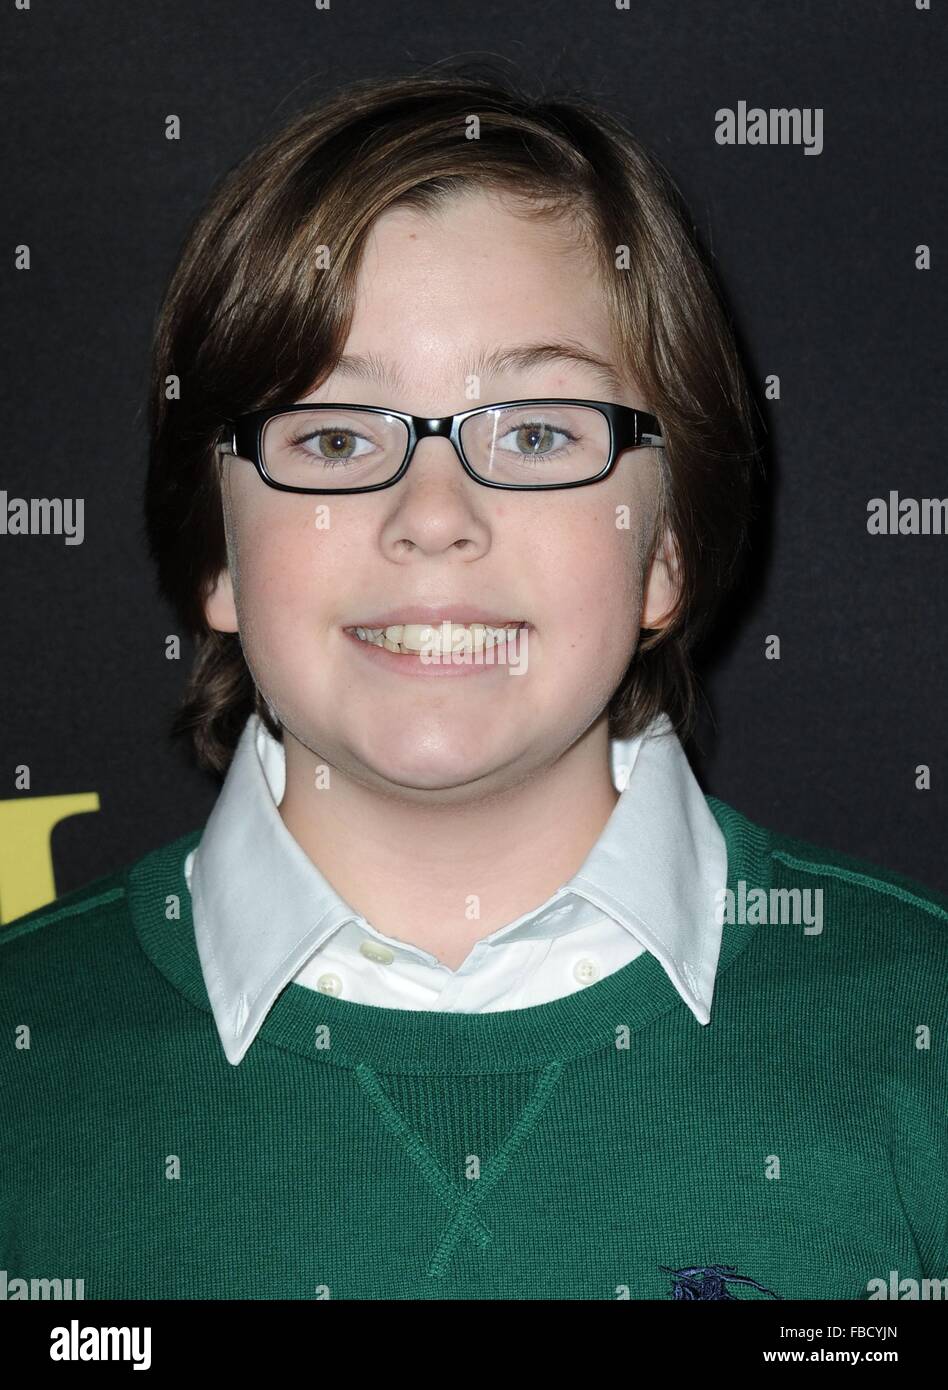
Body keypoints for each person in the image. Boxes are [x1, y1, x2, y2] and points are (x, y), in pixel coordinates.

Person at [1, 68, 945, 1303]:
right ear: (214, 556)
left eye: (539, 432)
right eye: (335, 439)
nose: (433, 516)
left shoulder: (916, 1035)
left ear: (664, 550)